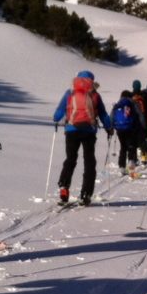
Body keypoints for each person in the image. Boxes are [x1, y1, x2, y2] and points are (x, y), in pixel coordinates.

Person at [52, 70, 113, 205]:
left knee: (70, 159)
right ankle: (86, 194)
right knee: (89, 161)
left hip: (71, 130)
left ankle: (64, 187)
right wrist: (109, 127)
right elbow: (103, 114)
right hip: (89, 132)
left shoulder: (70, 93)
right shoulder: (95, 95)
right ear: (92, 81)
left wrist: (56, 119)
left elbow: (60, 111)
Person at [110, 89, 145, 176]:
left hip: (119, 129)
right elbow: (140, 115)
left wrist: (111, 127)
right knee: (131, 146)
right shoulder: (133, 103)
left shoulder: (118, 104)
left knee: (123, 147)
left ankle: (122, 167)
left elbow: (112, 116)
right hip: (131, 128)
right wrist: (143, 126)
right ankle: (131, 163)